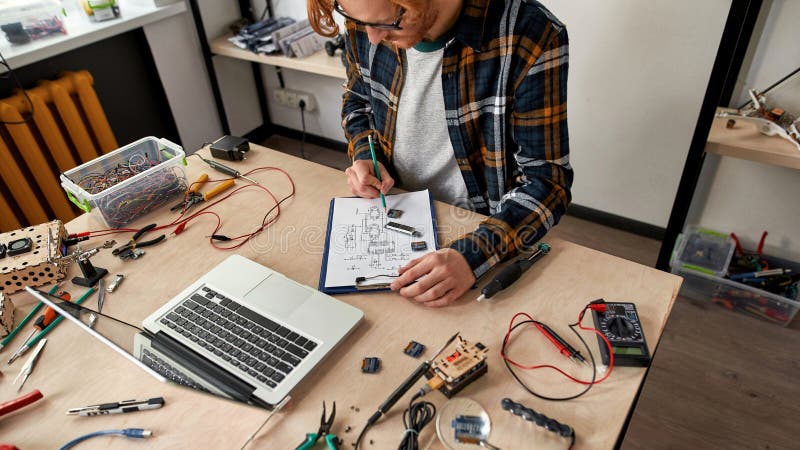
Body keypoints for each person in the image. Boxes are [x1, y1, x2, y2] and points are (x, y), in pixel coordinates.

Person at [308, 0, 572, 307]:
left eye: (387, 23)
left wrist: (474, 254)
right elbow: (358, 99)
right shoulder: (367, 13)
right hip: (395, 207)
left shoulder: (531, 33)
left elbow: (547, 183)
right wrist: (367, 154)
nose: (371, 38)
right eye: (356, 22)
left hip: (484, 228)